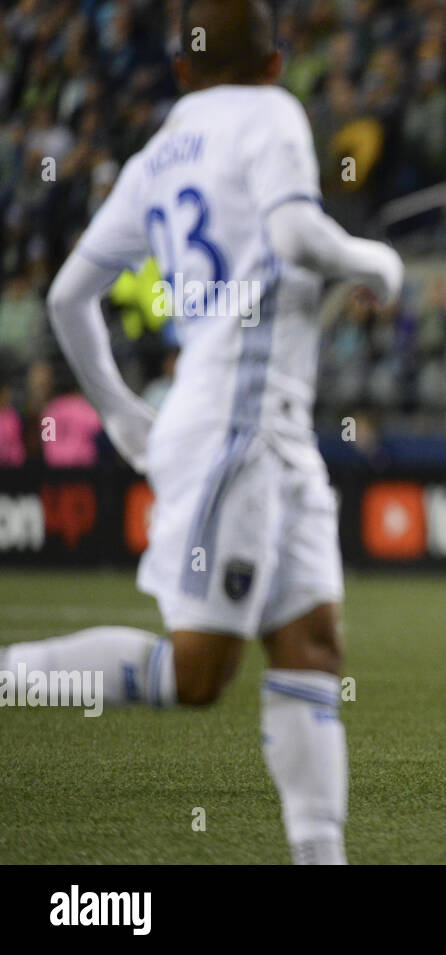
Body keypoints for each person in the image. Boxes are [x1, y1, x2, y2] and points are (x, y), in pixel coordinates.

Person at [0, 0, 403, 864]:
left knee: (312, 645)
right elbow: (298, 231)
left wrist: (118, 411)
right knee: (197, 673)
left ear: (182, 70)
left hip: (255, 422)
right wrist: (375, 260)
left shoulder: (159, 150)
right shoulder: (272, 113)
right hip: (237, 426)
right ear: (275, 61)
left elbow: (70, 295)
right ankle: (9, 676)